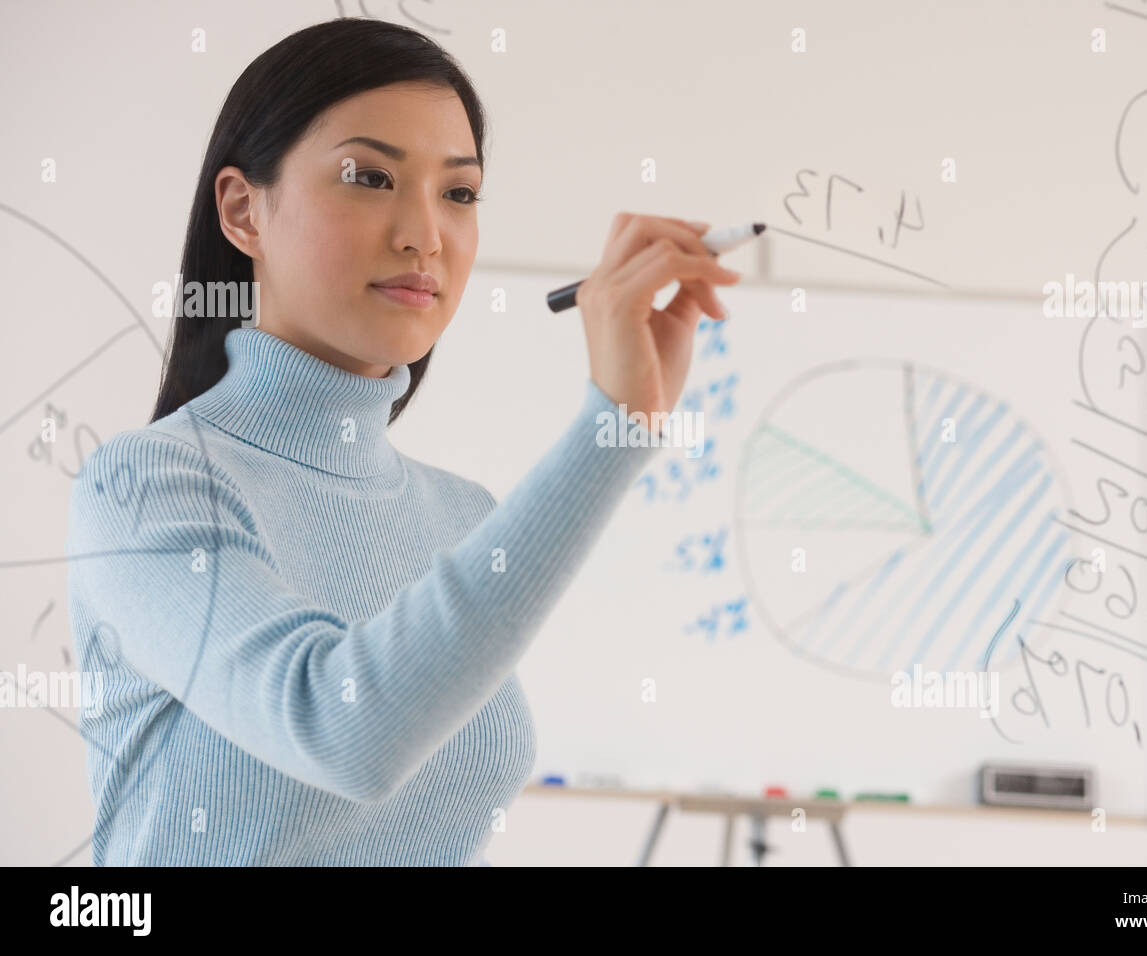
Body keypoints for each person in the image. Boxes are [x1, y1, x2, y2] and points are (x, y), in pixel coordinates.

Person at [64, 17, 740, 866]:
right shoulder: (145, 489)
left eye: (458, 193)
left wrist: (629, 418)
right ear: (243, 211)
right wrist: (612, 428)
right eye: (370, 177)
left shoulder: (462, 514)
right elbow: (341, 727)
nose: (424, 232)